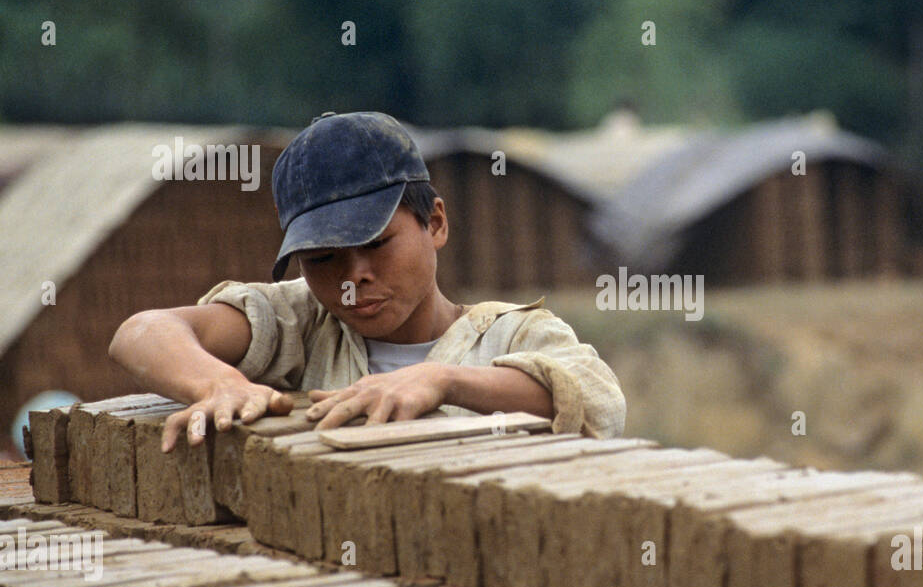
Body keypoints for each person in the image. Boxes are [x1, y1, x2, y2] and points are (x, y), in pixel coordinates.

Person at [109, 111, 626, 453]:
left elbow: (597, 399)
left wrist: (442, 380)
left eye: (378, 244)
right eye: (324, 258)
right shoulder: (301, 324)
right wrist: (220, 384)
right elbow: (141, 332)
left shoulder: (510, 336)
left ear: (436, 224)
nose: (354, 277)